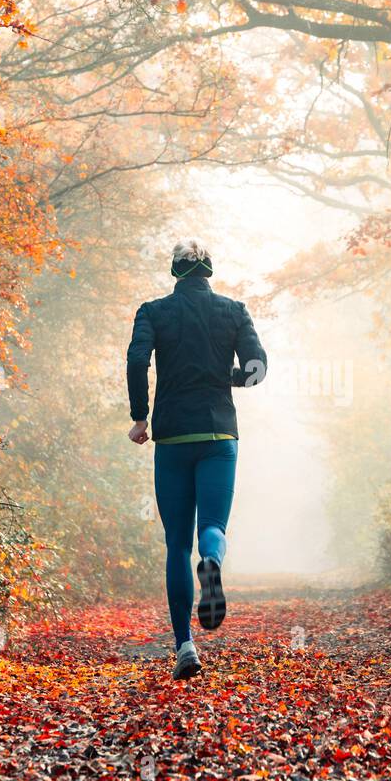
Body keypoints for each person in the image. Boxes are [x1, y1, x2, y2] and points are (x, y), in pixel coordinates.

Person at [125, 239, 267, 679]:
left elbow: (136, 360)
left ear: (174, 271)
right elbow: (258, 366)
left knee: (176, 544)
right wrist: (226, 379)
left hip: (172, 438)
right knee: (212, 528)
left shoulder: (152, 311)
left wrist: (139, 417)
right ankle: (214, 563)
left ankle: (184, 645)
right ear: (209, 270)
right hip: (220, 433)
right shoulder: (234, 310)